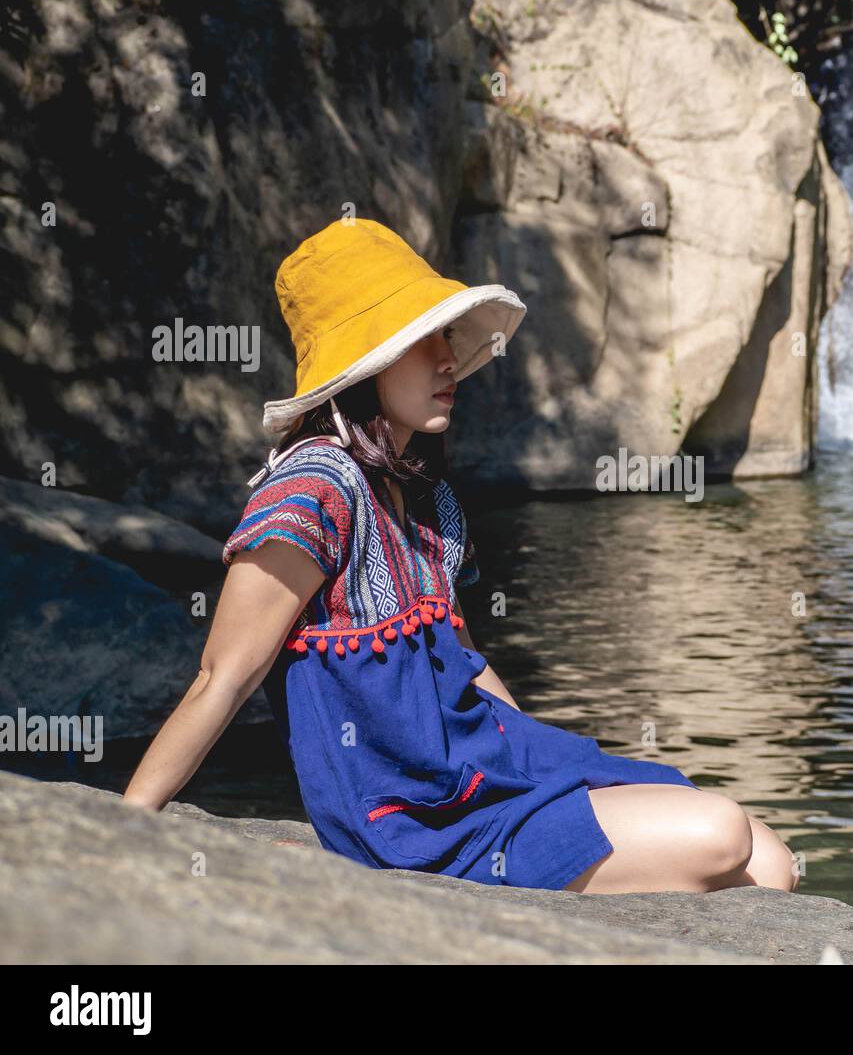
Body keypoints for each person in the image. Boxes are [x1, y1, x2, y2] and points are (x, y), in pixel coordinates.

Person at [124, 218, 799, 894]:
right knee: (721, 832)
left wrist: (541, 763)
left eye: (447, 335)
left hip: (480, 775)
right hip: (417, 826)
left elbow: (467, 665)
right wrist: (125, 827)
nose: (450, 359)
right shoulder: (311, 489)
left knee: (772, 861)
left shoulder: (427, 495)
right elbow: (224, 677)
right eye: (426, 339)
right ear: (371, 359)